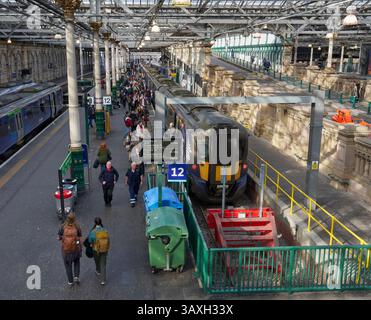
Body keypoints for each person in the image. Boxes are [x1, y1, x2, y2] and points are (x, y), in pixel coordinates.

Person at [58, 212, 82, 286]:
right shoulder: (77, 226)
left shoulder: (63, 226)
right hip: (75, 249)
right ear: (74, 218)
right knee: (77, 262)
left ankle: (70, 281)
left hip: (66, 250)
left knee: (68, 265)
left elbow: (59, 236)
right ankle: (76, 276)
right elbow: (80, 235)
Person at [88, 217, 110, 285]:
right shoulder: (105, 230)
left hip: (96, 249)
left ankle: (98, 270)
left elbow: (89, 240)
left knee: (97, 260)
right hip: (104, 249)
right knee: (103, 264)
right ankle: (103, 280)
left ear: (95, 223)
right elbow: (108, 239)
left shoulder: (93, 231)